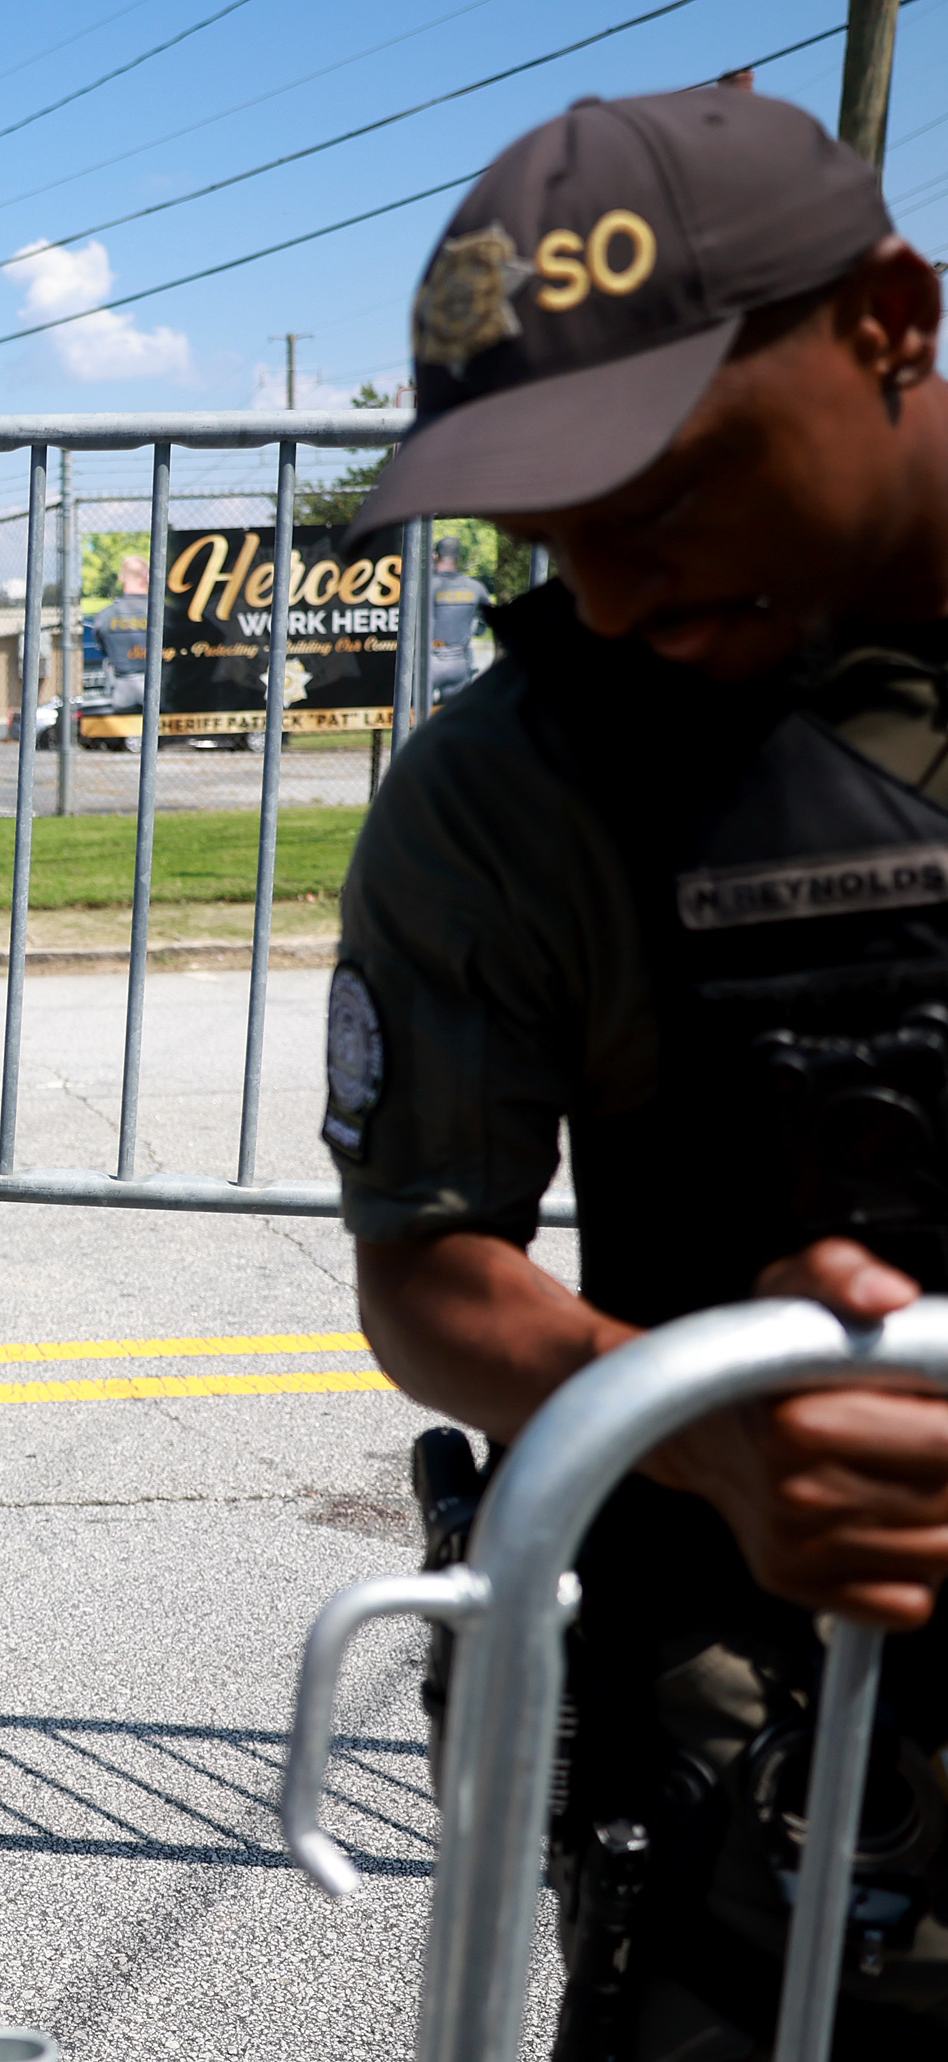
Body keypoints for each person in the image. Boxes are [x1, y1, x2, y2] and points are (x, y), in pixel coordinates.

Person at [333, 88, 948, 2054]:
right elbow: (431, 1265)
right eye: (540, 537)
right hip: (783, 1779)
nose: (603, 592)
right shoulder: (515, 785)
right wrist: (697, 1419)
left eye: (661, 495)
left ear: (890, 321)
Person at [424, 534, 490, 698]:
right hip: (459, 662)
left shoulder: (424, 587)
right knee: (453, 719)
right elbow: (485, 623)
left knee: (418, 718)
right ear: (458, 557)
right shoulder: (475, 588)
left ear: (436, 556)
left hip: (428, 662)